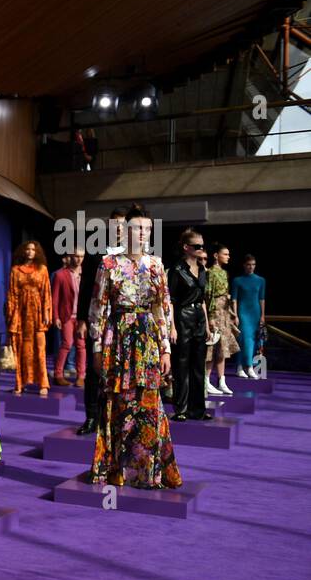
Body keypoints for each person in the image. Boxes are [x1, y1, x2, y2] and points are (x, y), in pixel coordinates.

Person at [87, 204, 182, 489]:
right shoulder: (108, 264)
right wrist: (96, 348)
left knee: (150, 403)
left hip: (148, 341)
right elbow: (98, 308)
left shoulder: (156, 265)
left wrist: (165, 348)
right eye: (137, 228)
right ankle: (117, 469)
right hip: (117, 339)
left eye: (147, 229)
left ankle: (147, 471)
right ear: (125, 231)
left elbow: (162, 309)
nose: (142, 233)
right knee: (119, 402)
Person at [74, 207, 126, 435]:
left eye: (123, 224)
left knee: (121, 370)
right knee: (94, 371)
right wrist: (82, 319)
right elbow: (85, 287)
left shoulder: (134, 254)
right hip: (99, 319)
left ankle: (117, 418)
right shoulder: (96, 253)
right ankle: (92, 417)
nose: (118, 228)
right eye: (115, 224)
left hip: (124, 320)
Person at [167, 228, 212, 421]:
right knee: (182, 365)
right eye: (197, 246)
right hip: (182, 317)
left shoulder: (202, 270)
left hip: (199, 319)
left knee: (198, 366)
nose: (201, 249)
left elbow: (202, 300)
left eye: (203, 245)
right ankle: (181, 409)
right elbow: (170, 300)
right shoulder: (177, 270)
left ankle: (198, 410)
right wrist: (172, 327)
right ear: (186, 247)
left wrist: (208, 326)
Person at [7, 240, 53, 395]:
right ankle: (19, 383)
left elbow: (46, 292)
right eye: (27, 249)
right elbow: (12, 294)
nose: (30, 252)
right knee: (20, 348)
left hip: (38, 312)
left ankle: (43, 384)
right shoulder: (15, 270)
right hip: (21, 313)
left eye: (33, 249)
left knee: (40, 347)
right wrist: (12, 314)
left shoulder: (42, 270)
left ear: (37, 252)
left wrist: (47, 312)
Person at [204, 244, 238, 394]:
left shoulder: (224, 273)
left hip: (224, 312)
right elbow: (208, 294)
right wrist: (210, 316)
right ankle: (206, 380)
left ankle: (222, 381)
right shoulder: (210, 273)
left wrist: (231, 314)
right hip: (215, 311)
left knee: (223, 347)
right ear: (216, 255)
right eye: (225, 254)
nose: (228, 257)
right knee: (213, 346)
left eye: (228, 254)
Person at [51, 250, 84, 387]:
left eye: (81, 257)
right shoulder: (60, 275)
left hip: (81, 317)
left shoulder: (85, 274)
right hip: (67, 316)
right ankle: (58, 374)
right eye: (76, 256)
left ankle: (81, 376)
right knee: (66, 344)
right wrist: (56, 316)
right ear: (70, 257)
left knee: (81, 345)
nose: (79, 259)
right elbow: (55, 298)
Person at [231, 254, 266, 378]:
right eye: (248, 265)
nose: (251, 267)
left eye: (253, 265)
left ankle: (242, 367)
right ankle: (248, 367)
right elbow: (234, 299)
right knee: (245, 339)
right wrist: (235, 315)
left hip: (255, 312)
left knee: (254, 340)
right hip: (242, 312)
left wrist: (262, 315)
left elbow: (262, 299)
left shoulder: (261, 280)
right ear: (244, 265)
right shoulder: (237, 280)